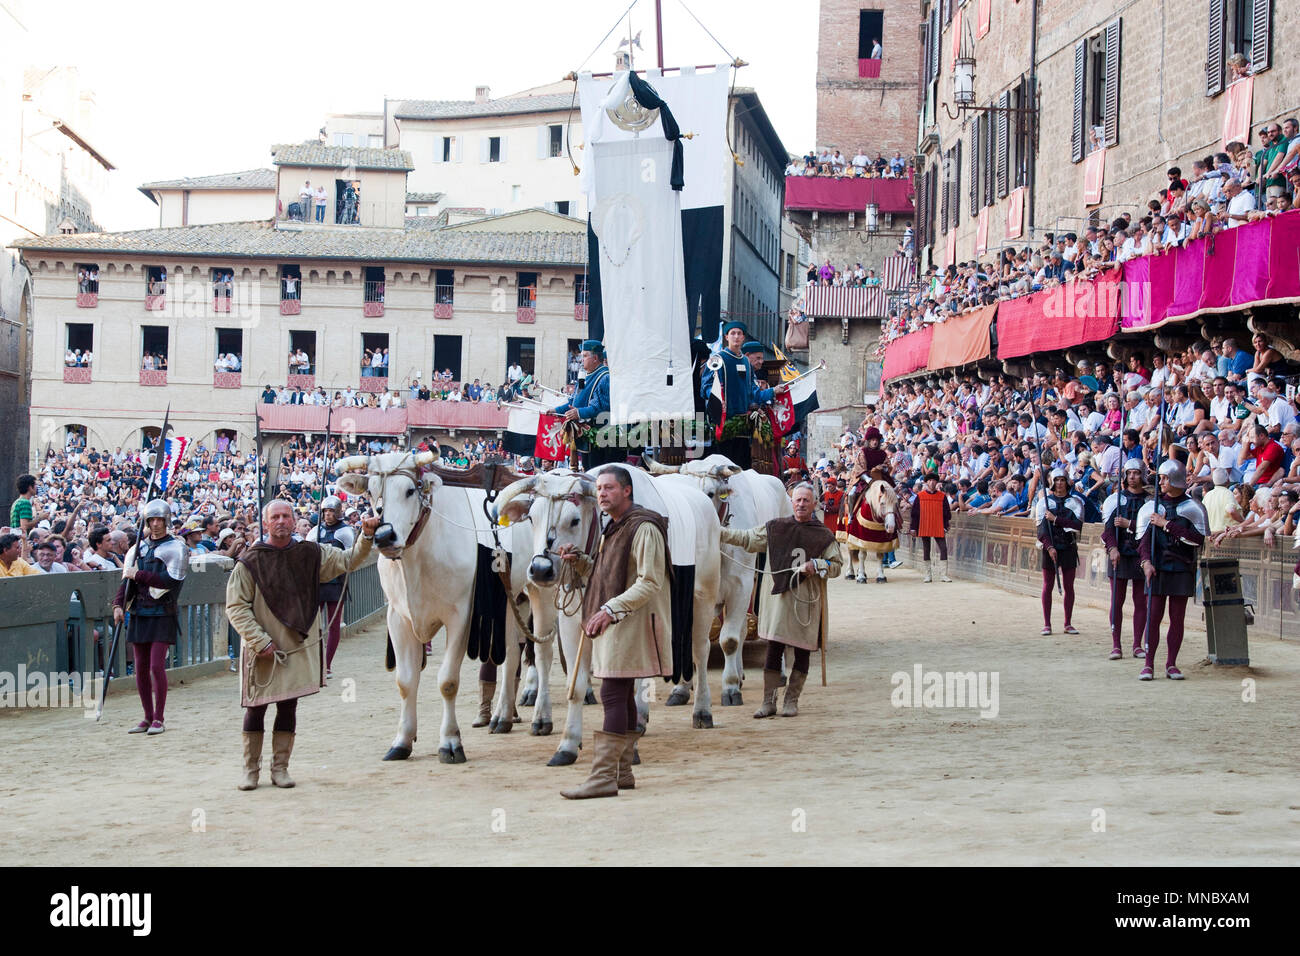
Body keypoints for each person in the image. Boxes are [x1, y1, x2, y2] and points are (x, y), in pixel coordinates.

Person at [227, 499, 377, 791]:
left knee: (288, 705)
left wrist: (367, 536)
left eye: (286, 516)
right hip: (263, 648)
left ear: (295, 522)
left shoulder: (310, 553)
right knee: (256, 708)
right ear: (266, 523)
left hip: (293, 646)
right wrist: (259, 641)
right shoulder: (250, 561)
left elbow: (348, 560)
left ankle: (280, 768)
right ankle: (250, 770)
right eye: (276, 517)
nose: (281, 521)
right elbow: (236, 607)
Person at [561, 466, 671, 800]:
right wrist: (580, 561)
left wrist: (609, 610)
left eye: (609, 488)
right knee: (620, 694)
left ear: (626, 491)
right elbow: (609, 573)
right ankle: (622, 773)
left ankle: (603, 778)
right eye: (599, 489)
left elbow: (649, 581)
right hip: (620, 620)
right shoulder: (616, 527)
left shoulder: (644, 527)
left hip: (633, 622)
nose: (602, 494)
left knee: (611, 693)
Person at [720, 483, 840, 718]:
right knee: (773, 650)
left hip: (806, 603)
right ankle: (768, 701)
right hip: (777, 601)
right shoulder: (776, 528)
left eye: (806, 500)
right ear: (792, 502)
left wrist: (817, 565)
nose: (801, 504)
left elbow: (836, 566)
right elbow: (747, 538)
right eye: (798, 500)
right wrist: (720, 532)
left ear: (814, 504)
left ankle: (792, 700)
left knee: (803, 651)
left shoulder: (824, 535)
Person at [111, 499, 188, 736]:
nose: (155, 524)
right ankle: (146, 716)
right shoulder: (137, 549)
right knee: (141, 669)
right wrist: (117, 604)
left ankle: (159, 718)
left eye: (159, 520)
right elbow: (127, 581)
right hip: (140, 613)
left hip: (162, 612)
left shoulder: (176, 548)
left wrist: (140, 574)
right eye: (151, 520)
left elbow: (170, 581)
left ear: (166, 521)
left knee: (156, 666)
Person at [1136, 461, 1210, 681]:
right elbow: (1143, 540)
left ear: (1175, 479)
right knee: (1153, 617)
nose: (1161, 482)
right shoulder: (1151, 506)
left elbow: (1197, 539)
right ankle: (1148, 664)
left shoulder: (1193, 507)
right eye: (1160, 478)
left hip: (1181, 568)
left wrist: (1166, 524)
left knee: (1177, 618)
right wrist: (1146, 562)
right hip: (1157, 568)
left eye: (1165, 478)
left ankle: (1171, 664)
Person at [702, 321, 785, 469]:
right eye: (732, 333)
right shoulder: (717, 359)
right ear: (726, 336)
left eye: (739, 333)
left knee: (741, 466)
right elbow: (706, 387)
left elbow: (753, 394)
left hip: (743, 424)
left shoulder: (746, 362)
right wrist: (717, 398)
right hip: (723, 422)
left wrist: (773, 391)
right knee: (723, 465)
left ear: (743, 338)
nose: (736, 336)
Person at [1100, 458, 1149, 661]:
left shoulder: (1150, 501)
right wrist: (1112, 548)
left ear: (1142, 475)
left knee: (1140, 602)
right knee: (1116, 601)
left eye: (1136, 473)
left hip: (1141, 555)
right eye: (1129, 473)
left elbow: (1151, 529)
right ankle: (1116, 644)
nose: (1132, 477)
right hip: (1119, 555)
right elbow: (1108, 529)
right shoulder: (1115, 499)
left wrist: (1130, 524)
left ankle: (1137, 644)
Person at [308, 495, 354, 678]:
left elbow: (352, 555)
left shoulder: (345, 532)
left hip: (336, 582)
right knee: (312, 624)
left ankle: (327, 665)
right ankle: (315, 662)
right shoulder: (314, 531)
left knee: (333, 624)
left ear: (338, 512)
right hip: (317, 582)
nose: (328, 515)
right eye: (325, 511)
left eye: (331, 511)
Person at [1033, 469, 1083, 635]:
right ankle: (1047, 623)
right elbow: (1041, 530)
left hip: (1068, 547)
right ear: (1052, 482)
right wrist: (1049, 546)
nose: (1060, 483)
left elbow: (1076, 526)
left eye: (1062, 479)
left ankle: (1068, 623)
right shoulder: (1043, 503)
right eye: (1057, 480)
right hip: (1050, 548)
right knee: (1048, 585)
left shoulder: (1075, 502)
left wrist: (1056, 520)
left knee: (1069, 586)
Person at [552, 339, 614, 467]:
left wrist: (579, 412)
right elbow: (573, 401)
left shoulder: (604, 377)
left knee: (595, 472)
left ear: (595, 358)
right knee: (586, 469)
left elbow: (601, 407)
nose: (581, 360)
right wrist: (556, 410)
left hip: (599, 436)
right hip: (585, 434)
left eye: (585, 356)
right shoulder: (584, 376)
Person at [908, 472, 952, 583]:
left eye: (934, 480)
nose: (932, 482)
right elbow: (915, 514)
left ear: (937, 482)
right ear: (926, 482)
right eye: (929, 481)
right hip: (924, 525)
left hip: (938, 525)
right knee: (926, 550)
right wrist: (913, 527)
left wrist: (946, 526)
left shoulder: (942, 496)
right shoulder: (920, 496)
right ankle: (928, 575)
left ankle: (943, 575)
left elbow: (947, 513)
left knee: (943, 549)